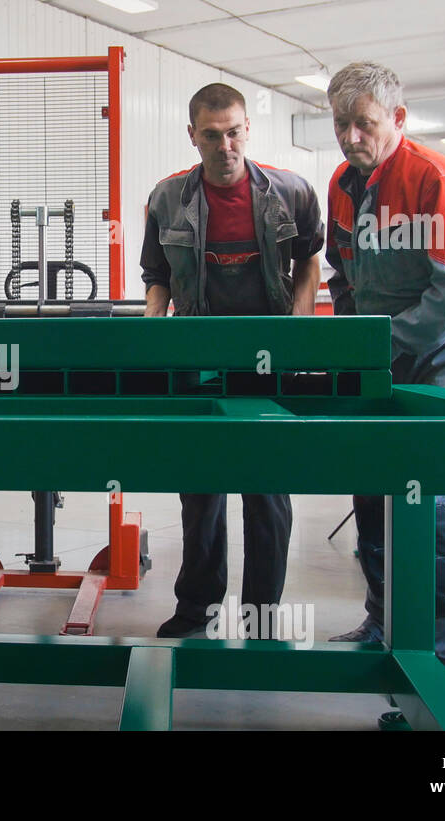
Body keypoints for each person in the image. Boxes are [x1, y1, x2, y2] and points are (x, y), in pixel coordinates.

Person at [323, 61, 445, 689]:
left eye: (363, 124)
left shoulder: (437, 179)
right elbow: (343, 274)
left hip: (443, 354)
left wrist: (374, 343)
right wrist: (348, 341)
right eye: (341, 124)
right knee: (371, 490)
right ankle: (382, 621)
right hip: (376, 354)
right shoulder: (343, 184)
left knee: (434, 502)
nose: (350, 137)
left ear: (397, 119)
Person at [140, 83, 323, 639]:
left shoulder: (290, 193)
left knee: (266, 491)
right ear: (192, 136)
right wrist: (154, 339)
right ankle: (197, 608)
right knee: (200, 489)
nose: (226, 145)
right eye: (213, 135)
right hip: (198, 356)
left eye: (235, 131)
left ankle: (262, 615)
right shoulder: (167, 198)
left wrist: (297, 321)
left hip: (268, 360)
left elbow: (311, 259)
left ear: (249, 129)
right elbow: (158, 279)